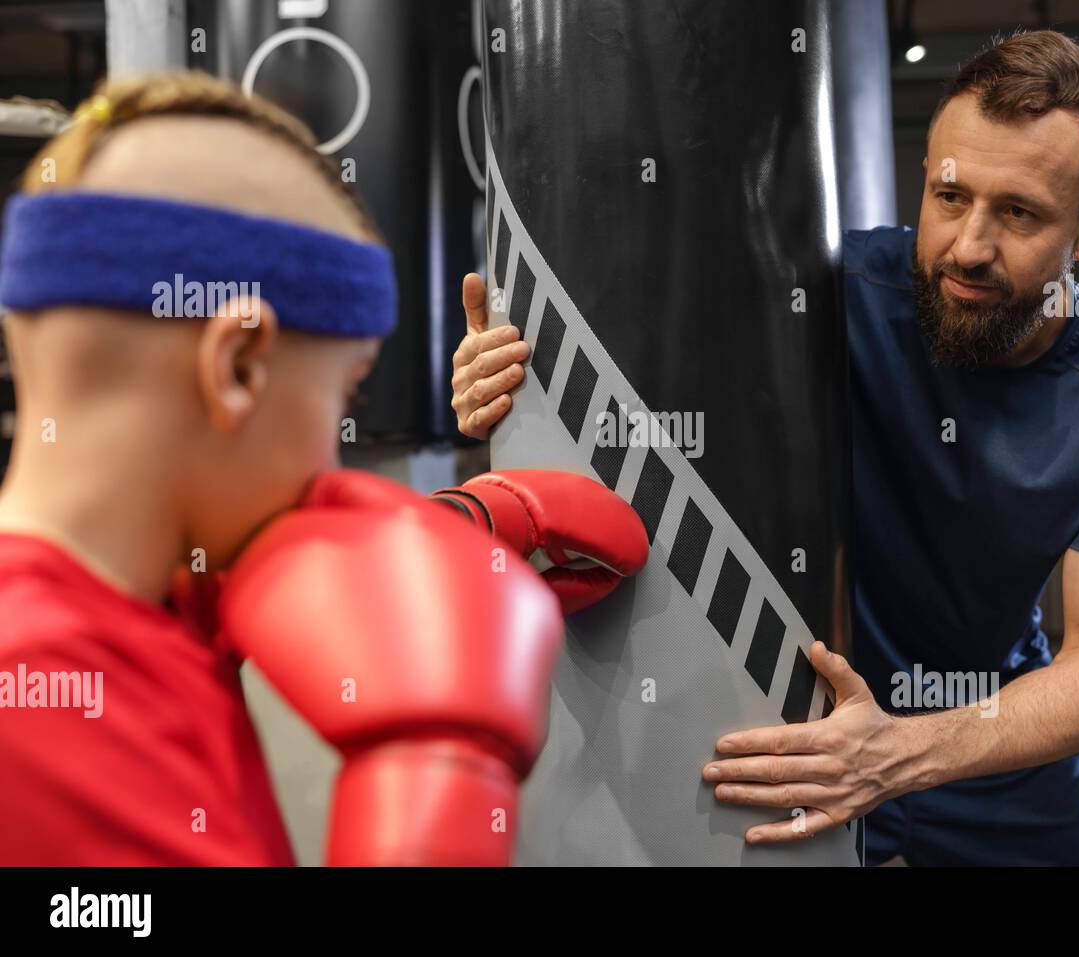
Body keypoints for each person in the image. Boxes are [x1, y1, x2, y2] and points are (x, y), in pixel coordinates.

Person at [450, 29, 1079, 866]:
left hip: (989, 725)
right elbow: (642, 378)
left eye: (1018, 213)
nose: (970, 247)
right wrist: (515, 391)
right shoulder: (825, 296)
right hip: (803, 721)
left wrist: (902, 752)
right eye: (951, 197)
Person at [0, 72, 646, 866]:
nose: (325, 466)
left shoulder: (132, 608)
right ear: (238, 365)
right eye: (343, 392)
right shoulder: (43, 709)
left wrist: (457, 527)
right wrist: (434, 777)